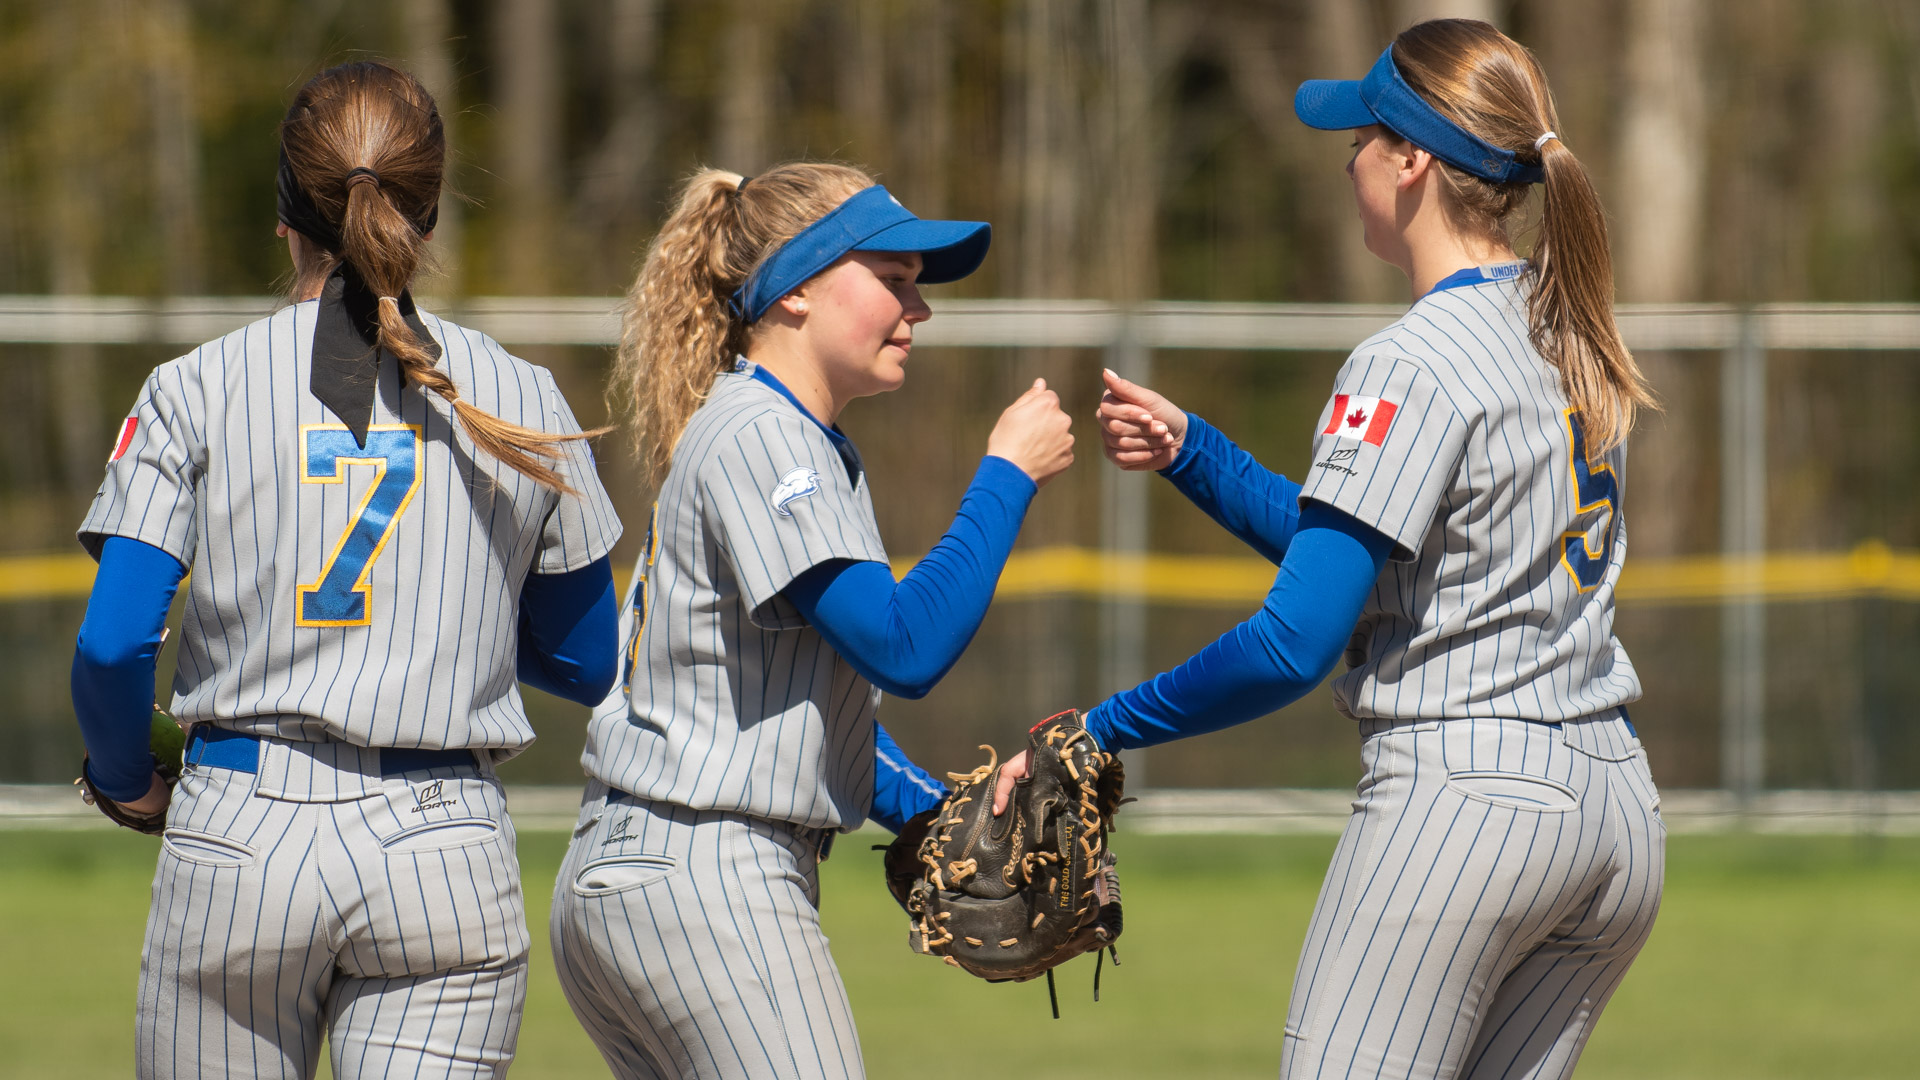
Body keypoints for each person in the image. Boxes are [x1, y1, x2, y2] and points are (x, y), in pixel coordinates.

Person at [997, 18, 1664, 1079]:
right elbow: (1370, 557)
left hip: (1468, 803)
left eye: (1359, 139)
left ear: (1411, 164)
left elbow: (1294, 641)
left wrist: (1100, 728)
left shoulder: (1410, 358)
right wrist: (1196, 454)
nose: (1347, 161)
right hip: (1615, 810)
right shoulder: (1568, 332)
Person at [68, 61, 622, 1079]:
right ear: (429, 211)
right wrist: (437, 626)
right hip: (442, 840)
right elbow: (589, 664)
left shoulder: (195, 385)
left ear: (286, 212)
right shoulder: (521, 393)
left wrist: (127, 781)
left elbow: (112, 645)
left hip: (241, 823)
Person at [548, 162, 1074, 1080]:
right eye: (894, 280)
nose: (919, 310)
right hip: (708, 882)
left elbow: (802, 709)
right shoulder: (766, 434)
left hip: (654, 869)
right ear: (795, 291)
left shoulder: (778, 433)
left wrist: (938, 815)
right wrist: (1006, 475)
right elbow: (904, 645)